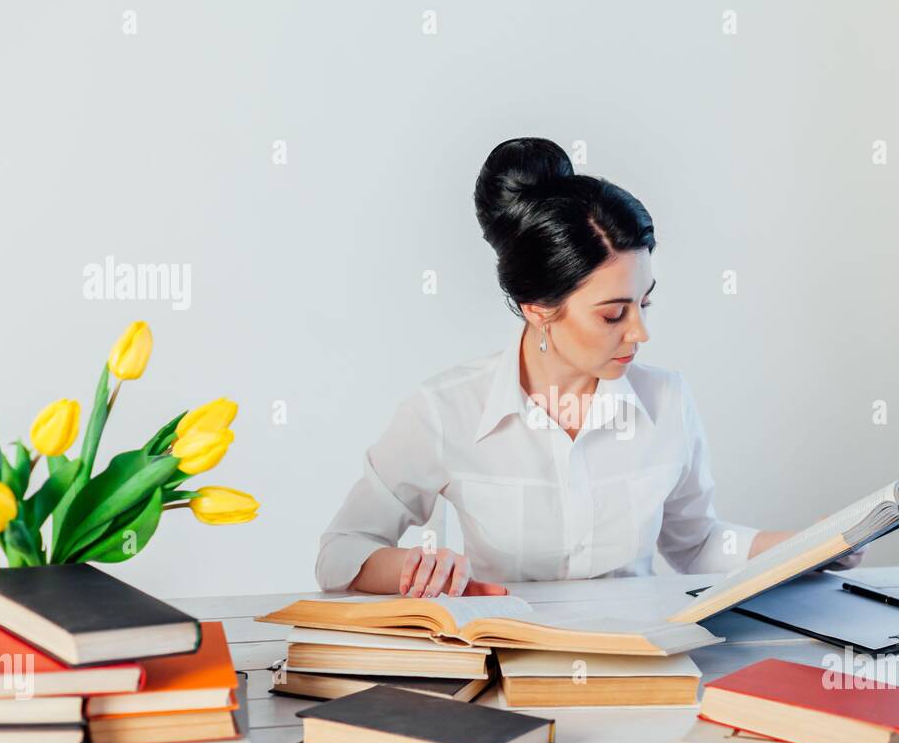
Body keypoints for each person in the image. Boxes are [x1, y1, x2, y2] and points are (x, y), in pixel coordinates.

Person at [316, 137, 860, 597]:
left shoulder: (667, 402)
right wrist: (410, 570)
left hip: (640, 669)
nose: (640, 332)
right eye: (613, 314)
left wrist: (805, 545)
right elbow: (341, 550)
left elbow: (696, 545)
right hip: (502, 671)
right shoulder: (445, 410)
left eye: (644, 304)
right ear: (539, 309)